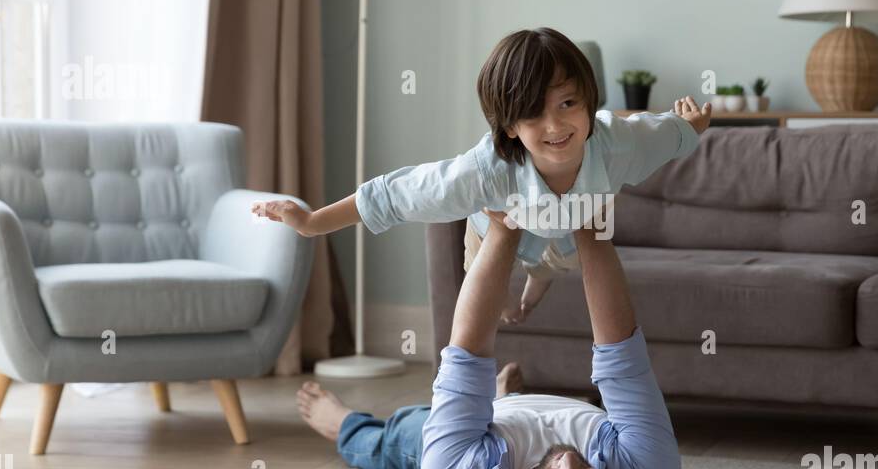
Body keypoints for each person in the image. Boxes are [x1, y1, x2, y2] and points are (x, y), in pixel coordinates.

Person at [297, 207, 731, 469]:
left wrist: (502, 227)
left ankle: (344, 424)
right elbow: (623, 359)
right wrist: (588, 222)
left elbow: (465, 356)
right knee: (480, 423)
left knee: (401, 438)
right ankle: (503, 401)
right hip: (553, 422)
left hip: (485, 449)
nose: (566, 463)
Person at [252, 26, 710, 323]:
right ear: (510, 125)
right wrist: (313, 223)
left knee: (554, 263)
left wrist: (691, 126)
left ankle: (534, 289)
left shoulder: (618, 146)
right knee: (495, 291)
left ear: (589, 102)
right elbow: (400, 194)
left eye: (567, 104)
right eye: (533, 115)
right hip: (497, 225)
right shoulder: (487, 171)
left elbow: (665, 135)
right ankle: (514, 300)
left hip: (570, 225)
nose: (555, 126)